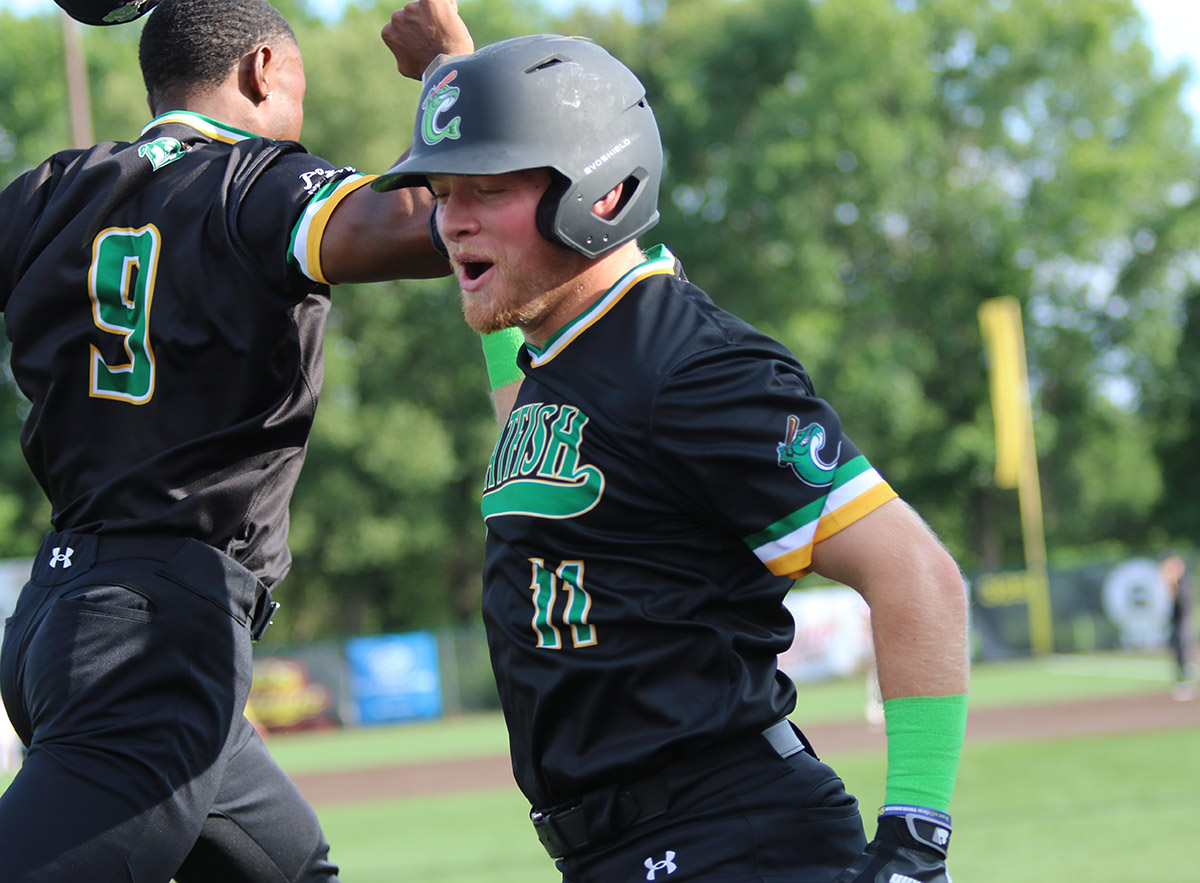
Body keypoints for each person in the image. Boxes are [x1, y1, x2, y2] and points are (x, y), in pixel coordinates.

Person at [375, 34, 970, 883]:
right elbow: (518, 381)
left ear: (604, 190)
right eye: (440, 192)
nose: (448, 218)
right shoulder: (563, 360)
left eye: (488, 189)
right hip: (634, 850)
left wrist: (914, 844)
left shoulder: (692, 366)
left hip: (734, 841)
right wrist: (455, 76)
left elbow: (918, 572)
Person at [0, 0, 473, 879]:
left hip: (54, 618)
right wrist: (450, 69)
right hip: (155, 635)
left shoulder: (46, 192)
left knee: (292, 870)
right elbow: (428, 223)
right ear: (263, 70)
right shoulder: (253, 182)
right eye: (297, 88)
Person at [1160, 553, 1198, 700]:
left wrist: (1172, 583)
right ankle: (1183, 680)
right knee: (1178, 652)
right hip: (1177, 625)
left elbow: (1183, 604)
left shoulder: (1184, 583)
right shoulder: (1174, 583)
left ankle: (1187, 682)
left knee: (1185, 652)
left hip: (1184, 625)